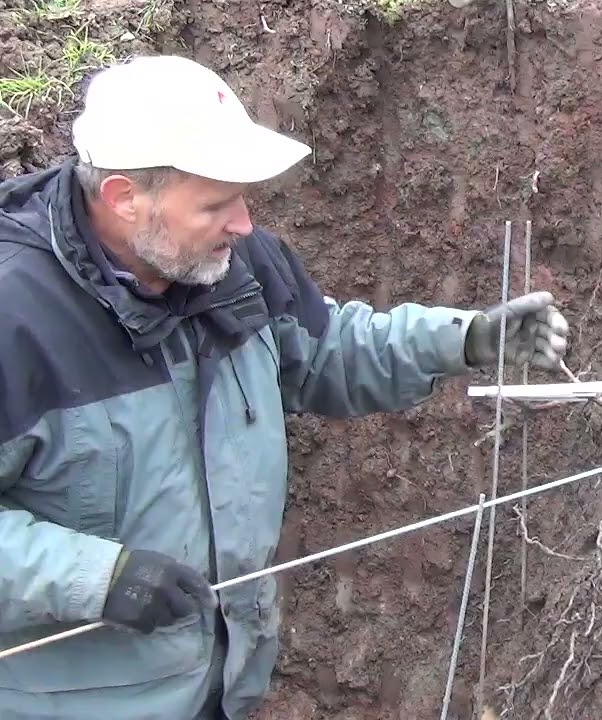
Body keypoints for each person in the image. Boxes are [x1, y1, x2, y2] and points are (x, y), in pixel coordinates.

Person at [0, 54, 568, 720]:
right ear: (125, 199)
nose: (243, 223)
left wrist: (465, 339)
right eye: (215, 203)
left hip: (222, 688)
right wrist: (97, 580)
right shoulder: (18, 317)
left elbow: (325, 352)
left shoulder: (232, 265)